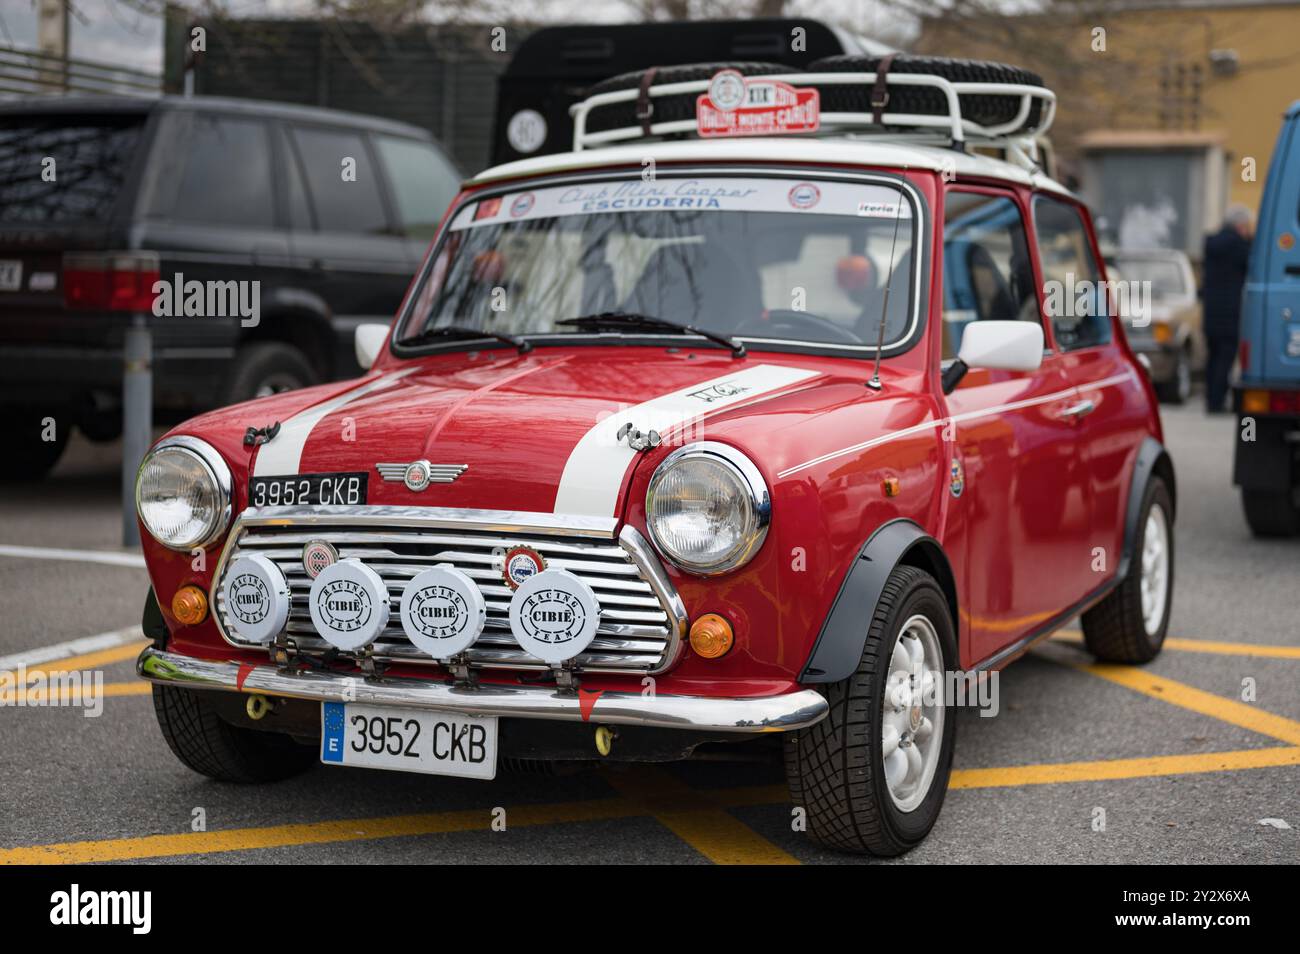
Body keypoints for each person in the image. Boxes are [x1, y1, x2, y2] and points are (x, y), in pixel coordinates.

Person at [1202, 204, 1254, 413]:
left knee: (1213, 356)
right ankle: (1217, 402)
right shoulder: (1239, 246)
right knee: (1225, 357)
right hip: (1230, 312)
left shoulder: (1211, 244)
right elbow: (1250, 265)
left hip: (1210, 311)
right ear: (1240, 225)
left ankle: (1210, 399)